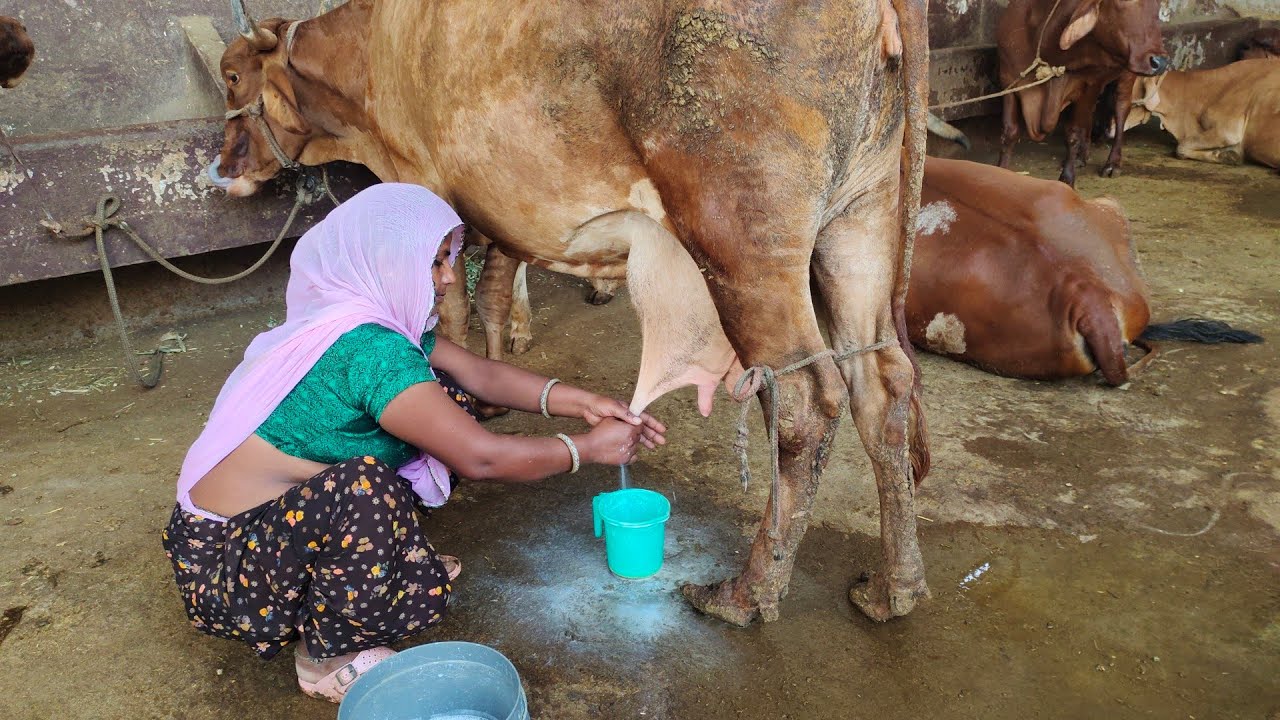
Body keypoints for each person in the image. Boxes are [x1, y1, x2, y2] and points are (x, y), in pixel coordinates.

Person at [161, 183, 665, 703]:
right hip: (230, 570)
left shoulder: (371, 317)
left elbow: (480, 375)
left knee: (446, 397)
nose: (450, 276)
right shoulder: (369, 349)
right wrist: (587, 448)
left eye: (450, 258)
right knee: (365, 488)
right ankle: (324, 658)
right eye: (434, 262)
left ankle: (372, 563)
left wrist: (584, 402)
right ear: (387, 262)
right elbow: (481, 457)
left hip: (279, 533)